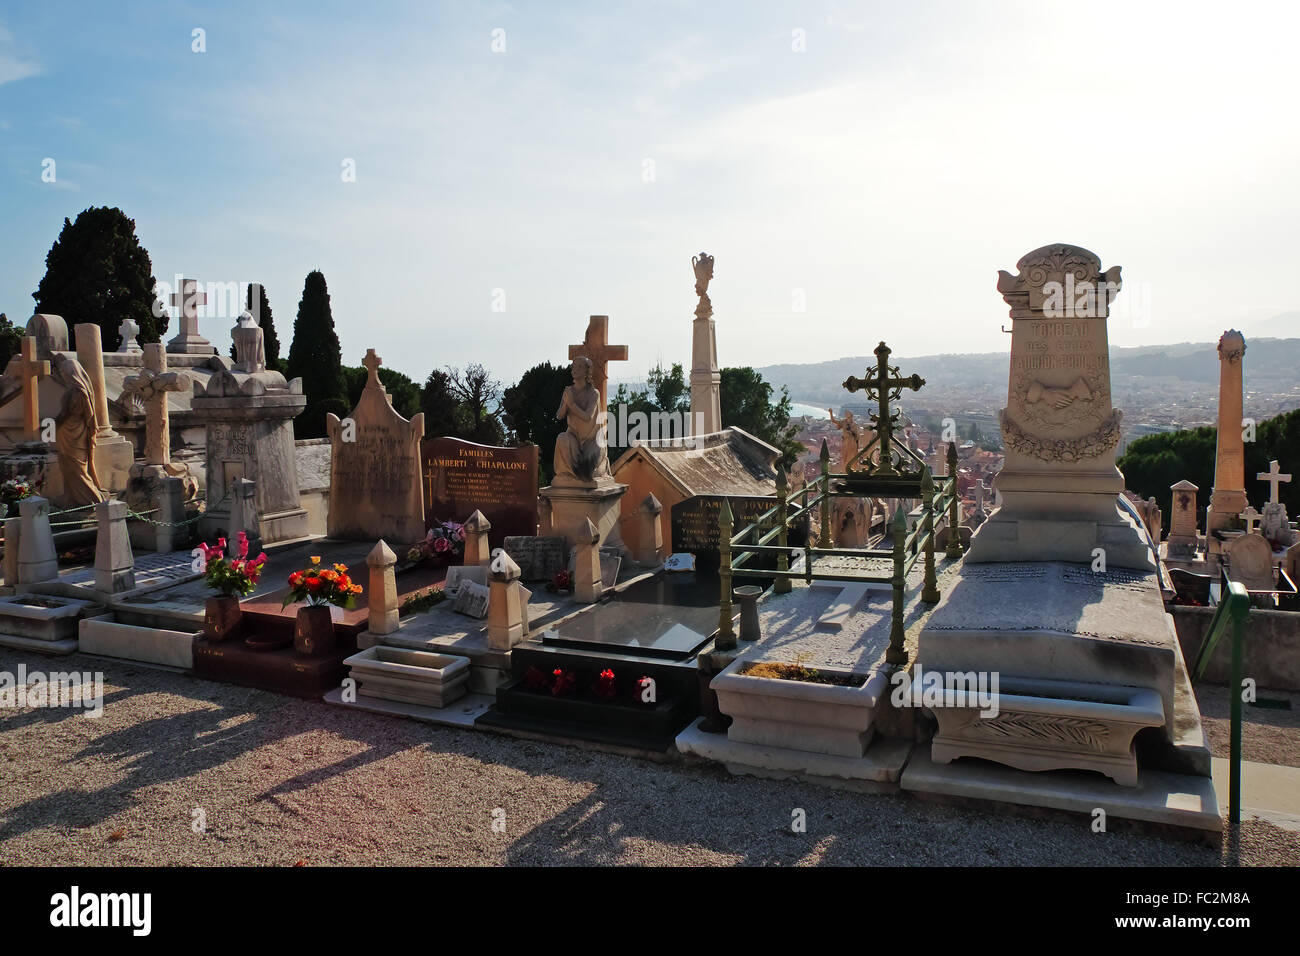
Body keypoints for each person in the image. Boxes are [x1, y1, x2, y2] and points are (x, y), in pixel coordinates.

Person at [51, 354, 105, 507]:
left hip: (75, 433)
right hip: (67, 432)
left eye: (64, 373)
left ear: (71, 373)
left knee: (78, 468)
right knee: (67, 467)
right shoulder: (72, 391)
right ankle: (72, 497)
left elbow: (89, 415)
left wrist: (64, 418)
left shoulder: (79, 392)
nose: (63, 375)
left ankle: (93, 499)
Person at [553, 356, 609, 485]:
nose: (575, 369)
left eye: (579, 367)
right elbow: (559, 415)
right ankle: (568, 475)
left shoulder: (593, 393)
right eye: (574, 366)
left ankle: (582, 475)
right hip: (573, 435)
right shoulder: (568, 391)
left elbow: (587, 416)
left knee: (586, 470)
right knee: (561, 439)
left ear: (587, 372)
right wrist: (566, 404)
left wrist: (571, 404)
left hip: (591, 439)